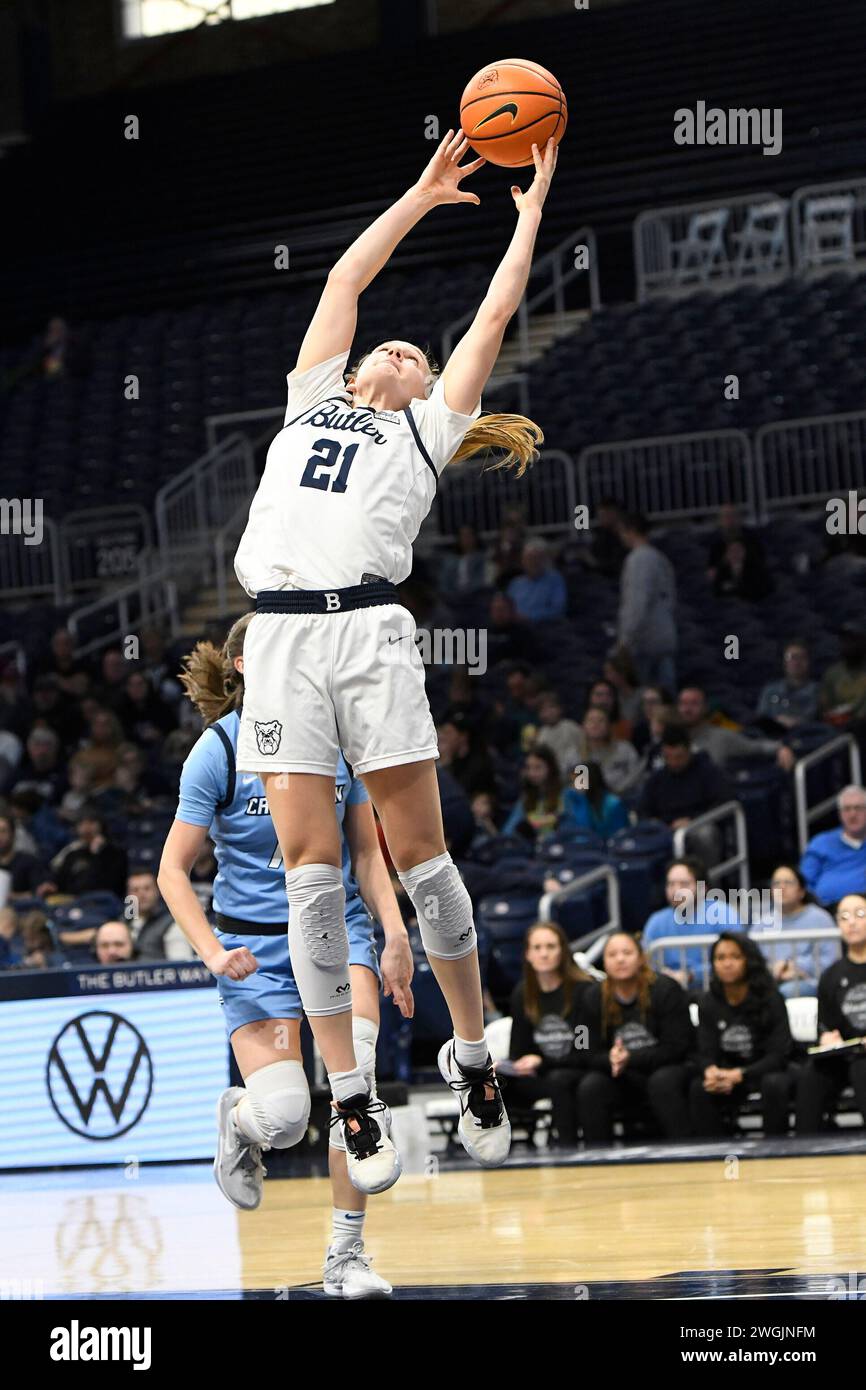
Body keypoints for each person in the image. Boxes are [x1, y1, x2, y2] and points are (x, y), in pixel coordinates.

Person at [230, 132, 559, 1182]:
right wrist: (419, 194)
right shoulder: (309, 396)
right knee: (310, 879)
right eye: (394, 346)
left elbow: (493, 317)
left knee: (422, 865)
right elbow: (344, 277)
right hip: (278, 635)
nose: (402, 350)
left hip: (368, 632)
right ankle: (351, 1098)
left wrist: (527, 218)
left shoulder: (423, 434)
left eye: (418, 356)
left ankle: (472, 1059)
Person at [159, 617, 412, 1295]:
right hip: (256, 949)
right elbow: (171, 873)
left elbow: (366, 852)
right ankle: (241, 1122)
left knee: (355, 1075)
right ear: (244, 663)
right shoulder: (216, 750)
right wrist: (211, 952)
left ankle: (347, 1257)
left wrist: (393, 935)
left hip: (337, 926)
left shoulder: (336, 742)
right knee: (286, 1117)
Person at [576, 933, 693, 1145]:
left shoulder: (667, 990)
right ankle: (596, 1158)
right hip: (619, 1071)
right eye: (612, 954)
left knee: (663, 1082)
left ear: (641, 957)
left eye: (627, 953)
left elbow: (678, 1046)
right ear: (604, 962)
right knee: (590, 1086)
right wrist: (610, 1059)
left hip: (667, 1067)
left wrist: (631, 1057)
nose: (620, 959)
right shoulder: (590, 997)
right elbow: (581, 1047)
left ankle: (683, 1149)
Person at [689, 932, 794, 1137]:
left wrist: (740, 1074)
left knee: (774, 1083)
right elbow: (705, 1049)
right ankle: (711, 1153)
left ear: (749, 960)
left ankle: (776, 1148)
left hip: (763, 1070)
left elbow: (779, 1054)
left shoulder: (771, 999)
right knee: (700, 1087)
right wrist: (711, 1071)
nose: (727, 964)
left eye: (735, 957)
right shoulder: (708, 1002)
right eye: (720, 958)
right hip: (727, 1072)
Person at [505, 922, 592, 1147]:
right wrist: (510, 1066)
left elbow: (584, 1052)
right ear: (528, 954)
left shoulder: (583, 992)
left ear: (562, 951)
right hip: (541, 1073)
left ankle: (567, 1149)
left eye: (551, 947)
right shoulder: (522, 994)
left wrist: (541, 1062)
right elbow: (518, 1051)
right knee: (495, 1082)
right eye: (537, 948)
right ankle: (499, 1151)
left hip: (575, 1071)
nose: (544, 954)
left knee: (558, 1081)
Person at [795, 893, 866, 1134]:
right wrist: (827, 1038)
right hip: (846, 1052)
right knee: (812, 1072)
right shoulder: (831, 975)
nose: (852, 922)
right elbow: (824, 1024)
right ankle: (803, 1147)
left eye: (859, 914)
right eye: (844, 917)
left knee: (862, 1067)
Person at [637, 724, 733, 868]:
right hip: (666, 830)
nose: (674, 762)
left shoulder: (707, 771)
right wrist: (660, 825)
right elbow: (644, 810)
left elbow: (723, 802)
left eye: (679, 757)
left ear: (689, 750)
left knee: (705, 834)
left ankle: (707, 887)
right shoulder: (656, 779)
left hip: (699, 824)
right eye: (668, 757)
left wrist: (693, 820)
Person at [640, 856, 741, 990]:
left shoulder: (722, 914)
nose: (676, 890)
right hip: (670, 993)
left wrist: (692, 975)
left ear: (702, 888)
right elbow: (645, 964)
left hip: (718, 991)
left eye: (684, 884)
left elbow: (737, 958)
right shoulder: (657, 921)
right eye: (671, 884)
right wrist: (663, 977)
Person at [752, 865, 839, 998]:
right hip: (771, 983)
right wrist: (772, 970)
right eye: (776, 883)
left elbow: (832, 960)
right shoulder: (761, 924)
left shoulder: (820, 919)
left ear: (801, 891)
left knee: (786, 992)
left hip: (811, 983)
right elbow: (751, 962)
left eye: (788, 882)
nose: (782, 887)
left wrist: (798, 967)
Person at [615, 512, 677, 690]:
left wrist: (625, 640)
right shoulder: (660, 558)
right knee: (666, 697)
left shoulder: (638, 559)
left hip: (644, 641)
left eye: (622, 532)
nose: (621, 537)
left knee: (646, 699)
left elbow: (637, 603)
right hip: (664, 635)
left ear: (631, 531)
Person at [676, 686, 794, 773]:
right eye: (683, 704)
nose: (687, 709)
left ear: (705, 708)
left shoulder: (721, 737)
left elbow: (757, 746)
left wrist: (780, 748)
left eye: (694, 704)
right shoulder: (668, 739)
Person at [39, 806, 127, 900]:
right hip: (72, 903)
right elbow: (60, 881)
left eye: (91, 823)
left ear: (101, 826)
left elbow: (110, 885)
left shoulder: (116, 853)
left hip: (101, 902)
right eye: (81, 824)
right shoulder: (73, 854)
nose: (86, 828)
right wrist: (51, 885)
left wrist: (97, 854)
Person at [800, 785, 866, 906]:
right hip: (826, 912)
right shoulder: (820, 843)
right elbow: (802, 884)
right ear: (840, 813)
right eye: (847, 809)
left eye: (858, 808)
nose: (853, 814)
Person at [127, 868, 194, 962]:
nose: (141, 894)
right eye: (135, 890)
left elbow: (180, 965)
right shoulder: (122, 923)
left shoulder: (172, 923)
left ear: (157, 891)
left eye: (147, 888)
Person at [574, 705, 641, 796]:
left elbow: (635, 777)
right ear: (583, 726)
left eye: (600, 720)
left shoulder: (625, 750)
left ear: (609, 726)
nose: (595, 724)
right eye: (591, 720)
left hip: (621, 800)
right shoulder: (575, 755)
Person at [501, 747, 564, 843]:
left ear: (550, 768)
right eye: (528, 768)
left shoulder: (564, 795)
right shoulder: (526, 798)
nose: (532, 773)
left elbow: (568, 828)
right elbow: (509, 830)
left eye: (538, 767)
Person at [755, 640, 819, 733]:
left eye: (801, 657)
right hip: (771, 737)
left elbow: (814, 718)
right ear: (784, 662)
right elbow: (761, 718)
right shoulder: (770, 691)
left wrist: (796, 722)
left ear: (808, 662)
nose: (796, 662)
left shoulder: (817, 691)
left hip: (804, 736)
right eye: (792, 657)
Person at [561, 760, 629, 839]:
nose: (573, 786)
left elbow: (619, 835)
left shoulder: (613, 804)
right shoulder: (580, 801)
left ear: (590, 781)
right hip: (588, 846)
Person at [506, 538, 567, 622]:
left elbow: (557, 610)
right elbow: (507, 608)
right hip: (515, 627)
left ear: (545, 560)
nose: (533, 562)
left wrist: (529, 617)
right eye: (529, 558)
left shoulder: (555, 580)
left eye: (537, 558)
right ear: (523, 561)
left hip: (543, 627)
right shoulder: (515, 583)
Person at [534, 691, 583, 780]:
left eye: (552, 707)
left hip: (578, 773)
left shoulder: (572, 727)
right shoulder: (541, 736)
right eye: (544, 709)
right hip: (554, 777)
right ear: (540, 714)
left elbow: (584, 749)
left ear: (560, 709)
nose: (549, 712)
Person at [0, 811, 44, 897]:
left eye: (3, 831)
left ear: (12, 834)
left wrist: (12, 896)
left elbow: (37, 893)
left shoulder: (28, 862)